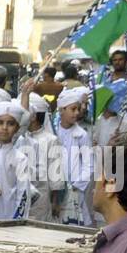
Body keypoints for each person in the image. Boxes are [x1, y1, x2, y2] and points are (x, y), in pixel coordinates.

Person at [55, 88, 94, 226]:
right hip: (55, 188)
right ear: (61, 110)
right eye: (73, 109)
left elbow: (89, 164)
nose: (77, 112)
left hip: (75, 189)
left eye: (78, 109)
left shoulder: (81, 135)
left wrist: (77, 185)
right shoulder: (54, 132)